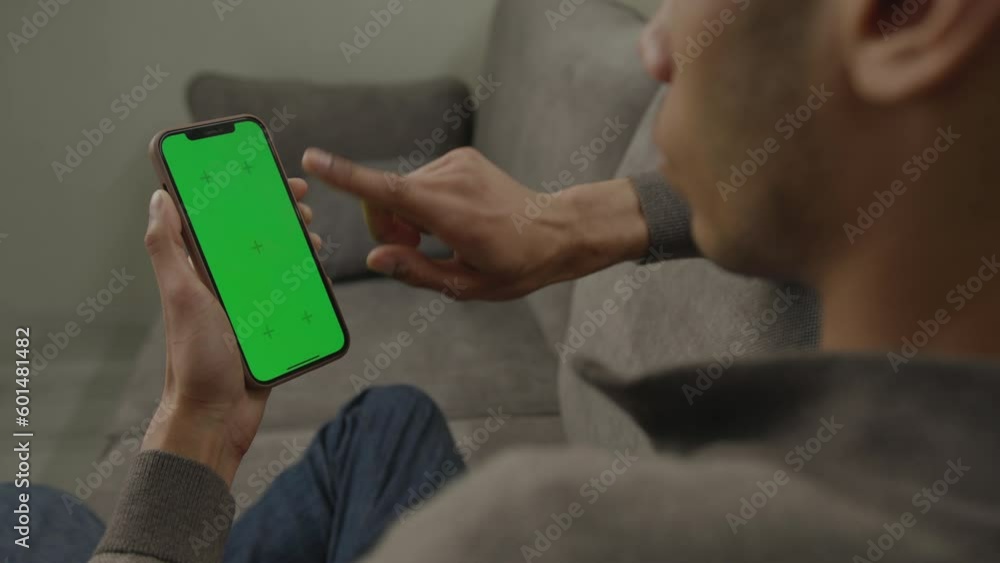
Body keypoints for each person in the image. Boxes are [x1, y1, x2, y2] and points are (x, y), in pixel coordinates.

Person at [6, 0, 1000, 560]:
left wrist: (192, 432)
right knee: (386, 416)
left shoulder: (533, 530)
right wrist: (578, 219)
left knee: (37, 518)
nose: (651, 44)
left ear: (906, 21)